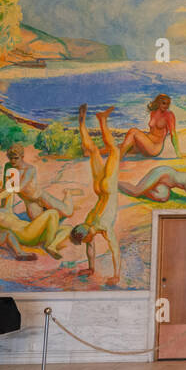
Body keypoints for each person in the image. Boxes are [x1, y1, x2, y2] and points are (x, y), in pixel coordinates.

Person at [69, 104, 123, 284]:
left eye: (85, 240)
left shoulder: (97, 224)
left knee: (113, 151)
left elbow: (114, 248)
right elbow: (92, 246)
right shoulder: (89, 224)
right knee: (94, 150)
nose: (87, 242)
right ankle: (86, 122)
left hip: (105, 189)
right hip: (101, 189)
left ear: (86, 234)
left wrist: (116, 275)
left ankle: (100, 120)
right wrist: (92, 268)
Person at [2, 144, 80, 219]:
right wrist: (2, 207)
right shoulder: (8, 166)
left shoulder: (29, 169)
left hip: (40, 197)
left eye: (16, 158)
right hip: (29, 201)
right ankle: (50, 209)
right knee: (39, 220)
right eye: (10, 158)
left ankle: (68, 193)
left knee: (68, 212)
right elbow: (5, 187)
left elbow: (20, 188)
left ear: (22, 157)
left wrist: (0, 195)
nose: (13, 161)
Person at [119, 93, 182, 158]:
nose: (166, 106)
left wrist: (178, 153)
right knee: (118, 147)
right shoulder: (153, 112)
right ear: (158, 103)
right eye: (164, 103)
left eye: (168, 104)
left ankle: (118, 159)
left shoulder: (169, 115)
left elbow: (173, 134)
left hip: (154, 147)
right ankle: (117, 157)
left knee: (133, 131)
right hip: (146, 144)